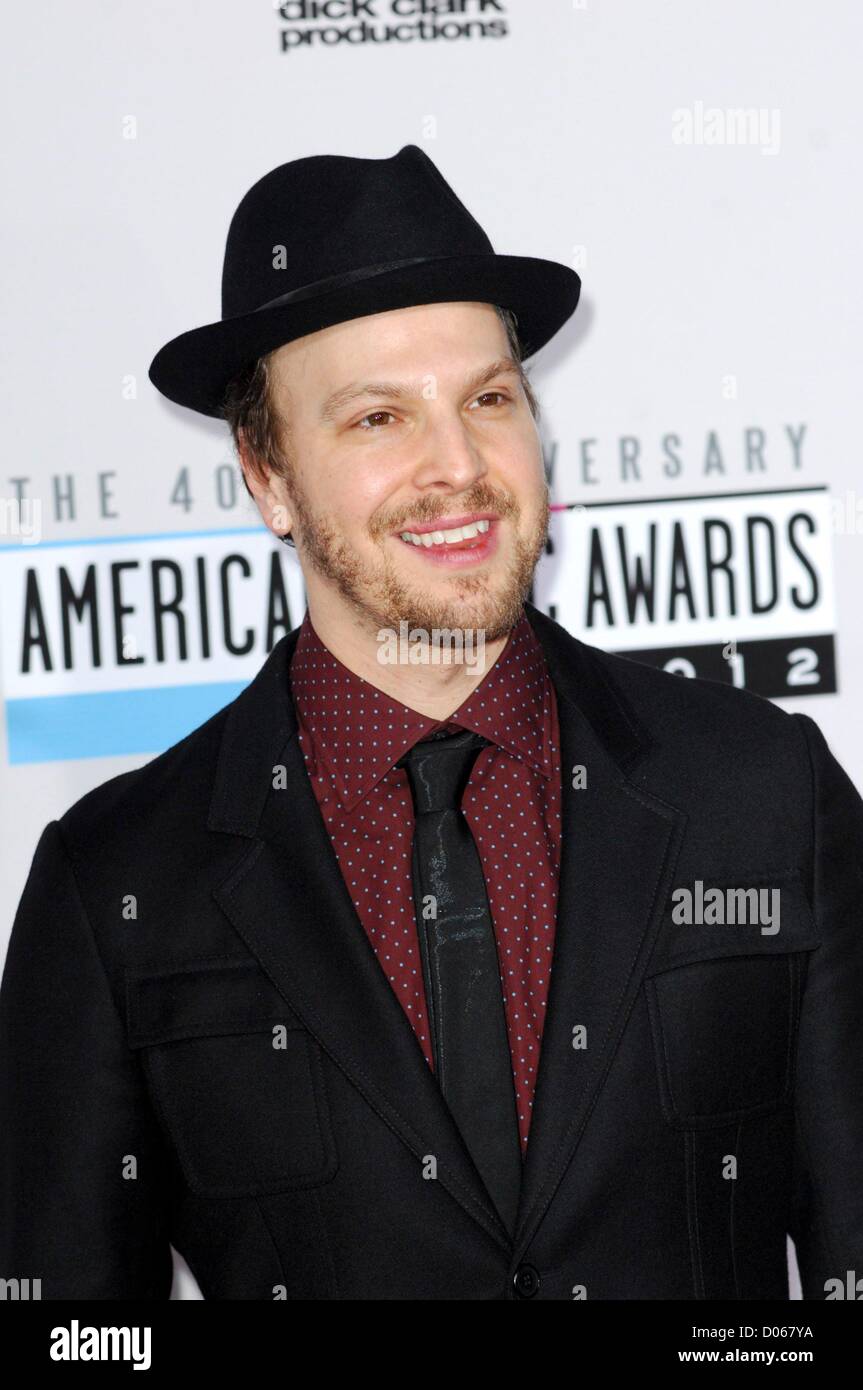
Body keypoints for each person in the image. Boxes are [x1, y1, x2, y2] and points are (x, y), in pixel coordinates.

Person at [1, 145, 861, 1301]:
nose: (457, 466)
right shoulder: (117, 883)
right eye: (375, 418)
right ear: (265, 474)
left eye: (489, 399)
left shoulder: (762, 793)